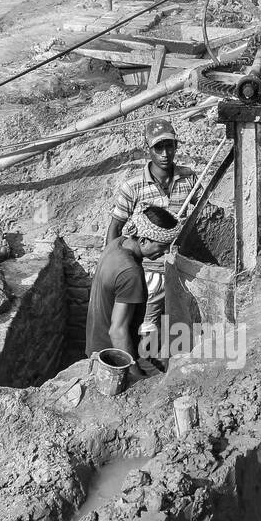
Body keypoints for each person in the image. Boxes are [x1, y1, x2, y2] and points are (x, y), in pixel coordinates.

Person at [106, 118, 195, 369]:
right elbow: (115, 227)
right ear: (148, 148)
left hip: (179, 267)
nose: (165, 154)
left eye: (170, 146)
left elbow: (199, 217)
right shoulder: (132, 187)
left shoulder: (189, 179)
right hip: (147, 271)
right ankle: (147, 367)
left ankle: (174, 367)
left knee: (179, 321)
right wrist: (115, 266)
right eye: (159, 148)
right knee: (147, 324)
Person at [85, 233, 147, 383]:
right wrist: (135, 375)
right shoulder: (131, 272)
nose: (165, 252)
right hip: (112, 360)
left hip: (95, 343)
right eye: (162, 246)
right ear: (144, 240)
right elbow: (117, 331)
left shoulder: (116, 243)